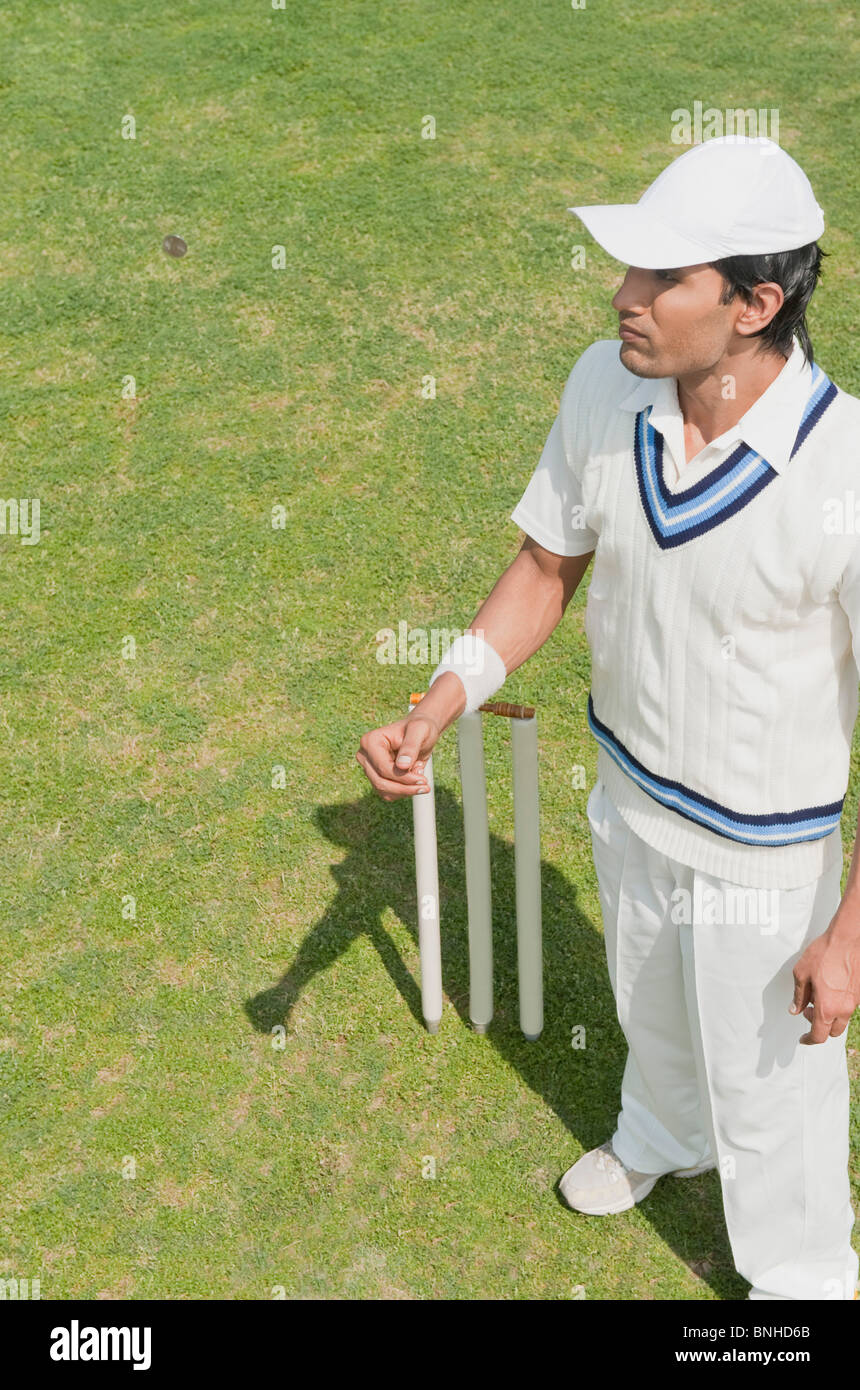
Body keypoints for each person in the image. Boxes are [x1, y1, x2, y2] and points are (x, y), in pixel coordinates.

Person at [355, 136, 860, 1301]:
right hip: (627, 791)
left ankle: (801, 1282)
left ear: (753, 305)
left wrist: (844, 936)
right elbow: (546, 565)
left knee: (773, 1088)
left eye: (660, 278)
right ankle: (664, 1134)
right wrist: (438, 703)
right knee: (648, 1007)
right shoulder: (603, 383)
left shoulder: (844, 467)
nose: (620, 297)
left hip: (763, 850)